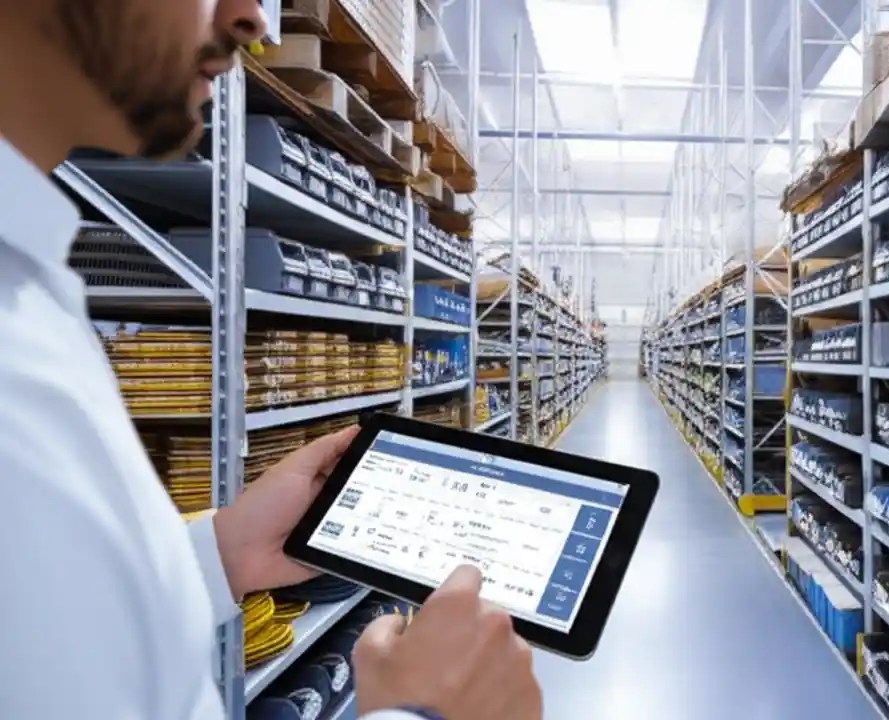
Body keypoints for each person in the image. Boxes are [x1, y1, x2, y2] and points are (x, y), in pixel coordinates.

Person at [0, 2, 543, 719]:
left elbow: (54, 627)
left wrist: (220, 556)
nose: (254, 18)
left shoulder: (33, 297)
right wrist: (422, 716)